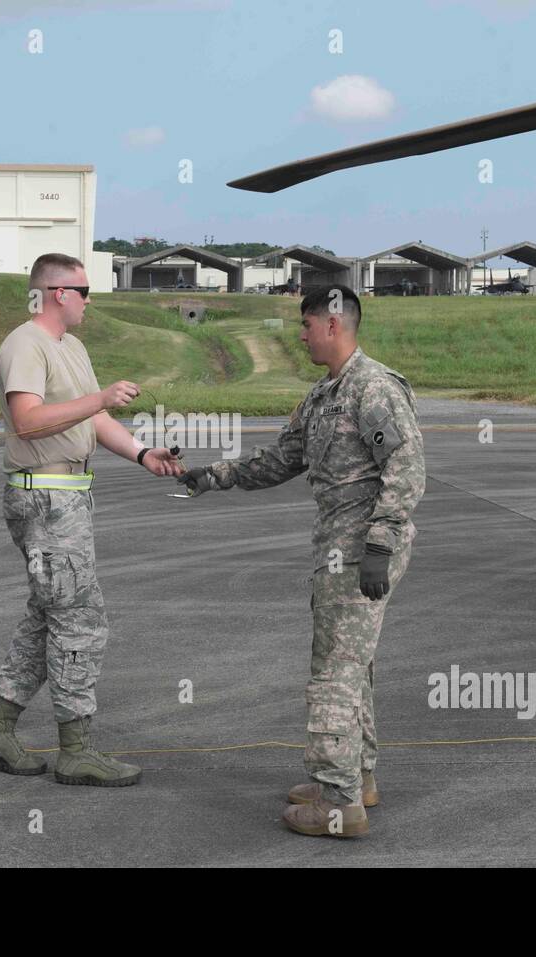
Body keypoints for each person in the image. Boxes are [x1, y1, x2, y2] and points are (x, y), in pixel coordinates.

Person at [177, 284, 425, 836]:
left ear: (332, 324)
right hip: (338, 547)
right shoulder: (324, 395)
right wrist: (214, 476)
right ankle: (356, 777)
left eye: (305, 325)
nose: (300, 335)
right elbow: (283, 458)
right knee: (352, 663)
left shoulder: (372, 388)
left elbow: (406, 466)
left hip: (361, 549)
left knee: (334, 670)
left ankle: (338, 804)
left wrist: (381, 542)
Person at [0, 252, 183, 787]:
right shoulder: (25, 345)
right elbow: (27, 420)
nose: (90, 300)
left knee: (48, 617)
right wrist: (97, 398)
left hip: (67, 495)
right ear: (58, 293)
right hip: (45, 498)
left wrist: (142, 453)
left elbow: (96, 418)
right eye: (84, 291)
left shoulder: (72, 347)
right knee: (79, 621)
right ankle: (76, 750)